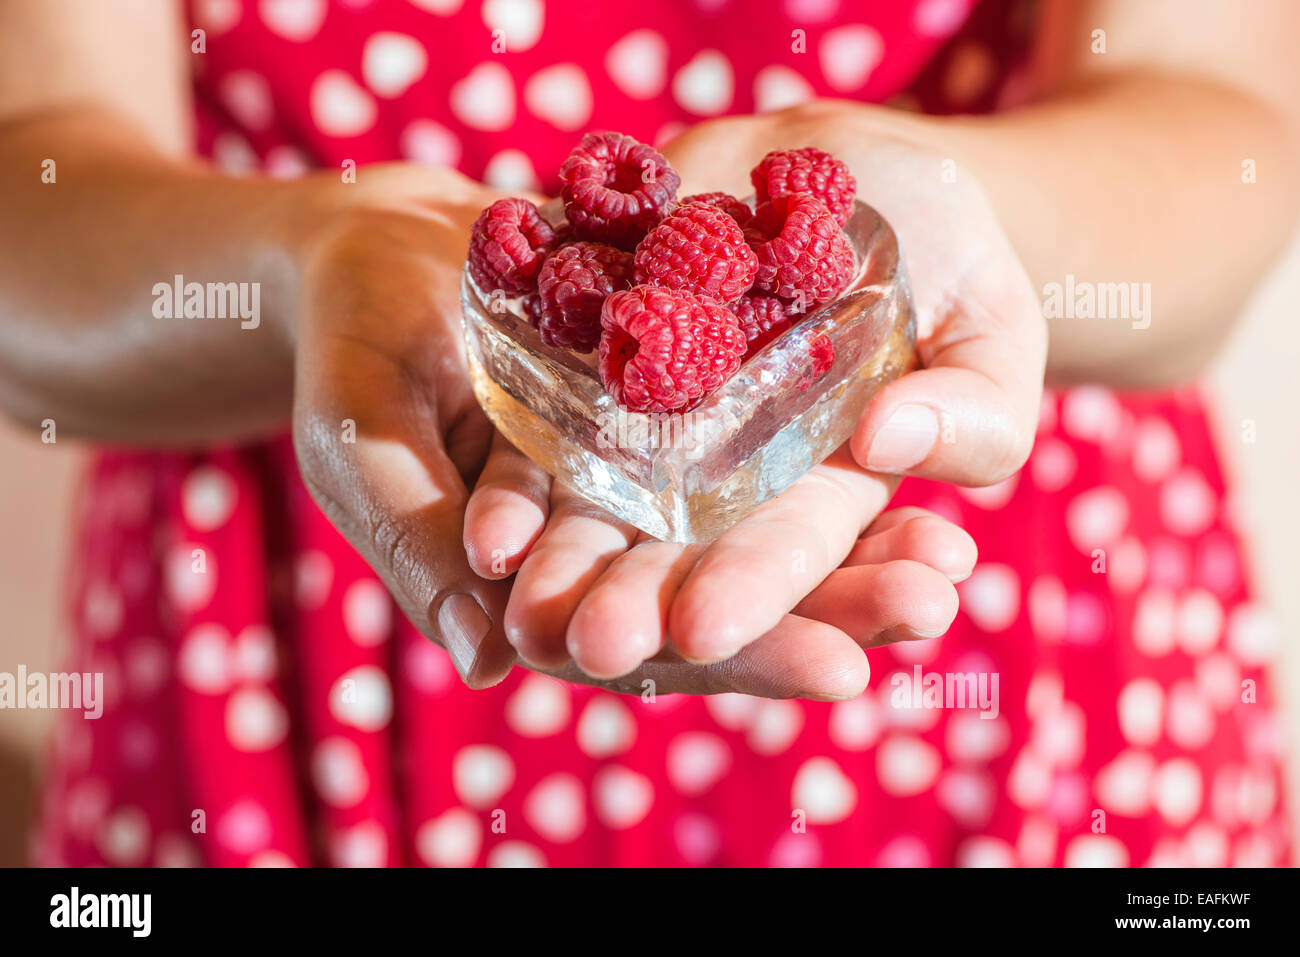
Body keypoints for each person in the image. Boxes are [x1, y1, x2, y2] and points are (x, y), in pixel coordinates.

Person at [1, 0, 1293, 866]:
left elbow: (1221, 119)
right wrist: (305, 263)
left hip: (974, 604)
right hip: (287, 639)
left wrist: (947, 235)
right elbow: (32, 174)